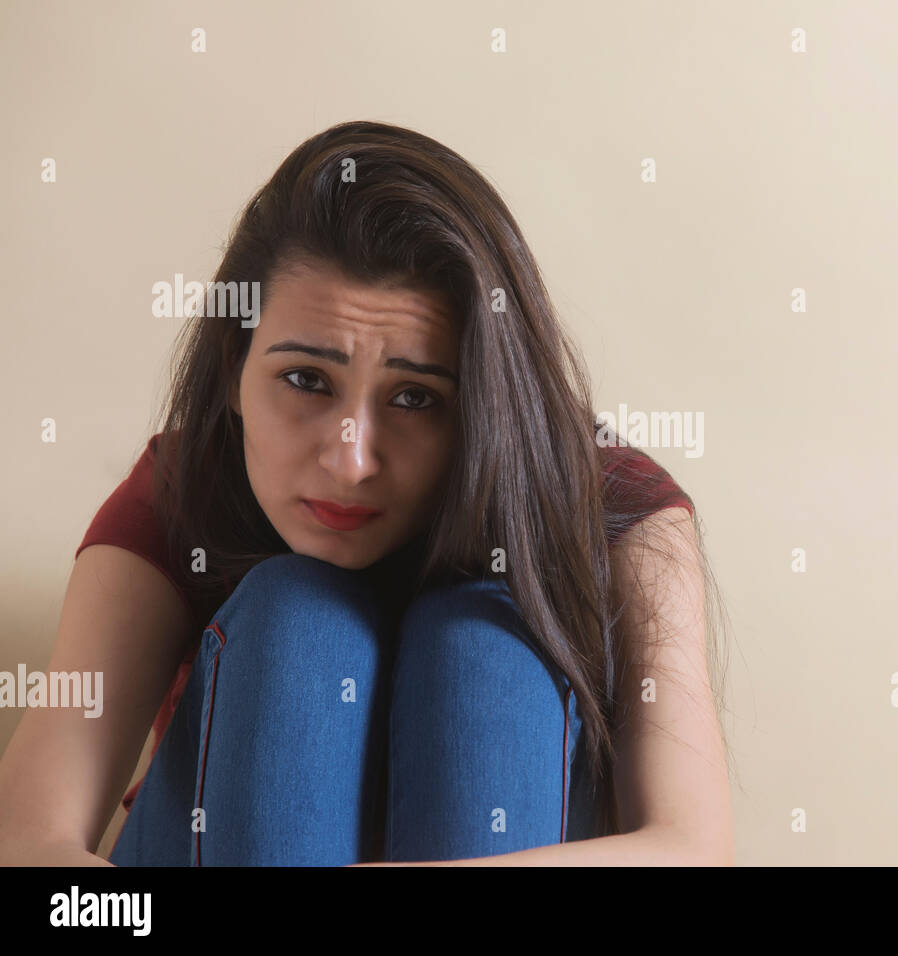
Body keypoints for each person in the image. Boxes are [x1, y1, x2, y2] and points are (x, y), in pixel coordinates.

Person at [0, 121, 733, 866]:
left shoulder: (610, 508)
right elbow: (26, 843)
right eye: (306, 380)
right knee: (299, 618)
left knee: (483, 643)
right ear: (232, 368)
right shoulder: (177, 492)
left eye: (415, 398)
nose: (351, 461)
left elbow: (693, 850)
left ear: (482, 402)